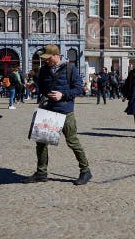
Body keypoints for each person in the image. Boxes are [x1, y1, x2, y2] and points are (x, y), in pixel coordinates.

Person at [23, 44, 92, 186]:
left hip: (65, 112)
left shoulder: (70, 69)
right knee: (41, 142)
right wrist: (34, 88)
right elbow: (41, 87)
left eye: (48, 58)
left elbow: (79, 89)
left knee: (72, 142)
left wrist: (63, 95)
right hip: (48, 110)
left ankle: (85, 171)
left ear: (56, 55)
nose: (46, 61)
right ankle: (41, 173)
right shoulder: (43, 70)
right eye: (45, 59)